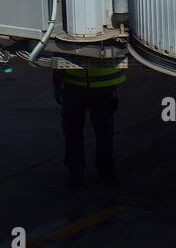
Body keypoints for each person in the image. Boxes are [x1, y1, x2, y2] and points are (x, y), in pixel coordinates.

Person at [54, 61, 126, 189]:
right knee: (99, 132)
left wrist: (57, 81)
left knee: (78, 133)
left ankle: (80, 173)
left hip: (86, 85)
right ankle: (100, 172)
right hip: (94, 85)